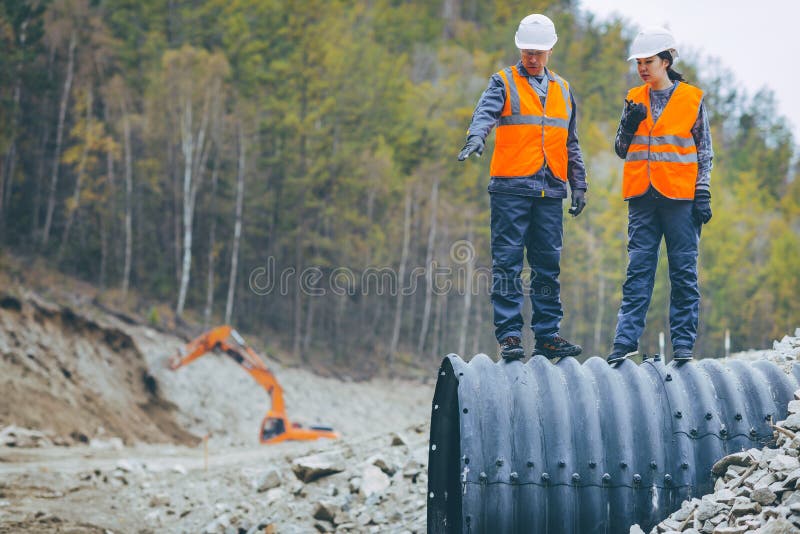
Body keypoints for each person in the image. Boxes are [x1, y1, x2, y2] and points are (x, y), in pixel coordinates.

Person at [457, 14, 588, 361]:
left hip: (549, 189)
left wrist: (579, 184)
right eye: (528, 52)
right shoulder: (503, 82)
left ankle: (547, 334)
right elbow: (485, 112)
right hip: (510, 188)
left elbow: (570, 142)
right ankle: (510, 336)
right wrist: (476, 137)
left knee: (548, 265)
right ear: (520, 48)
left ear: (550, 51)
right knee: (508, 264)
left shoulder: (563, 89)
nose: (532, 58)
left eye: (539, 53)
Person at [606, 27, 713, 365]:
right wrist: (627, 125)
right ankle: (623, 343)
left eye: (647, 61)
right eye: (638, 62)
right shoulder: (634, 98)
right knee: (637, 273)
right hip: (642, 199)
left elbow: (704, 151)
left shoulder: (691, 99)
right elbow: (621, 149)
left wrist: (703, 192)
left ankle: (683, 345)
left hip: (681, 201)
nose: (641, 68)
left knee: (683, 274)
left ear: (665, 61)